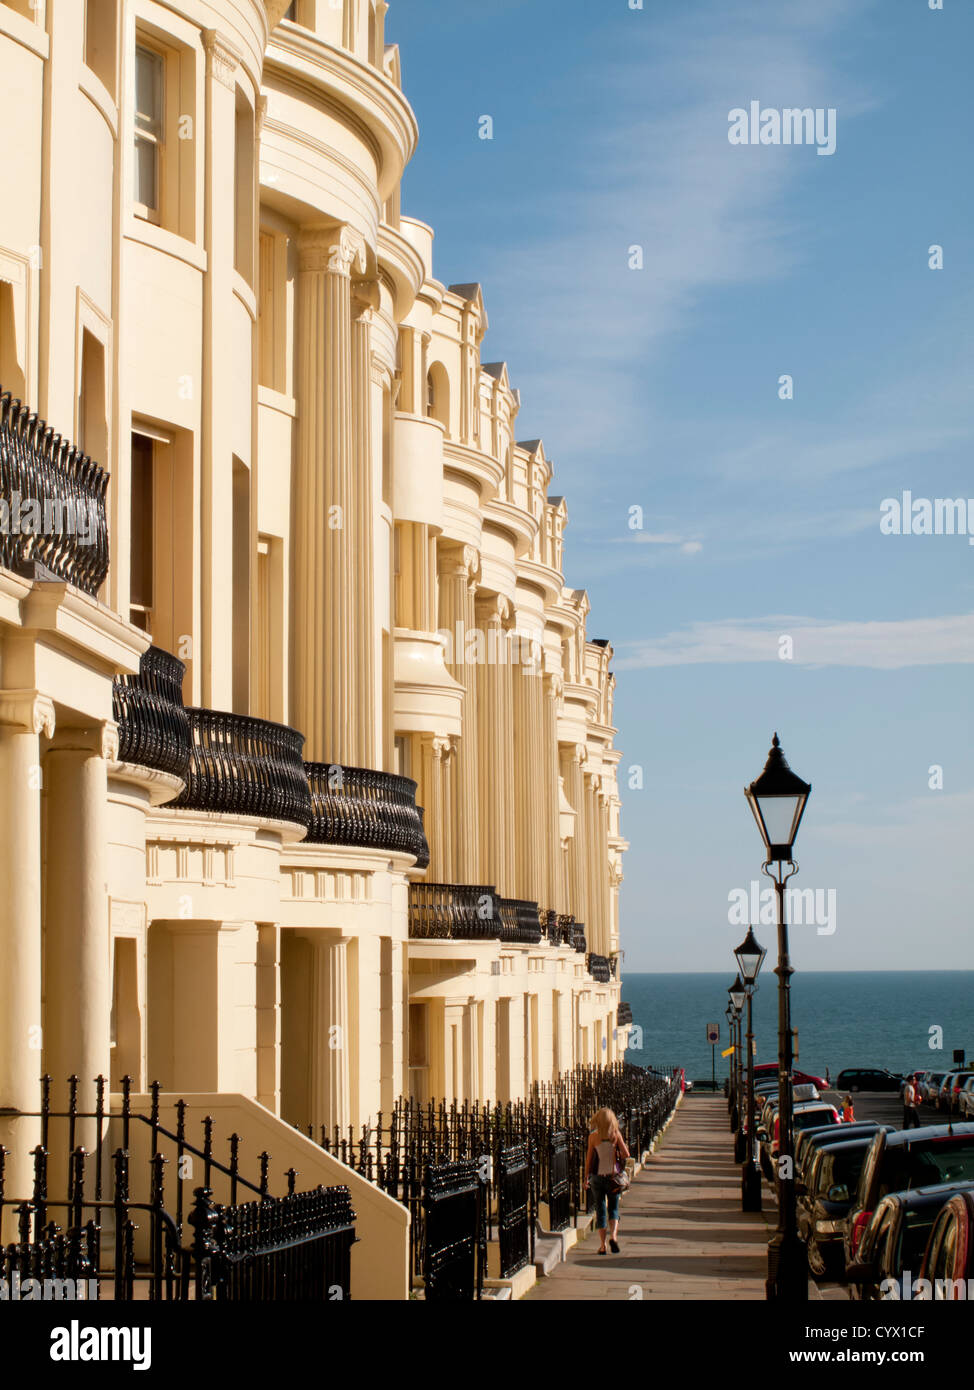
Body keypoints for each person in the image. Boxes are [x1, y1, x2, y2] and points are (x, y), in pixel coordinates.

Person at [586, 1107, 630, 1255]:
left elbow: (589, 1160)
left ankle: (602, 1245)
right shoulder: (615, 1135)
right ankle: (614, 1237)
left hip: (597, 1177)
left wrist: (585, 1178)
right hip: (613, 1177)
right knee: (613, 1209)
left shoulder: (593, 1137)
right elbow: (626, 1154)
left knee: (600, 1210)